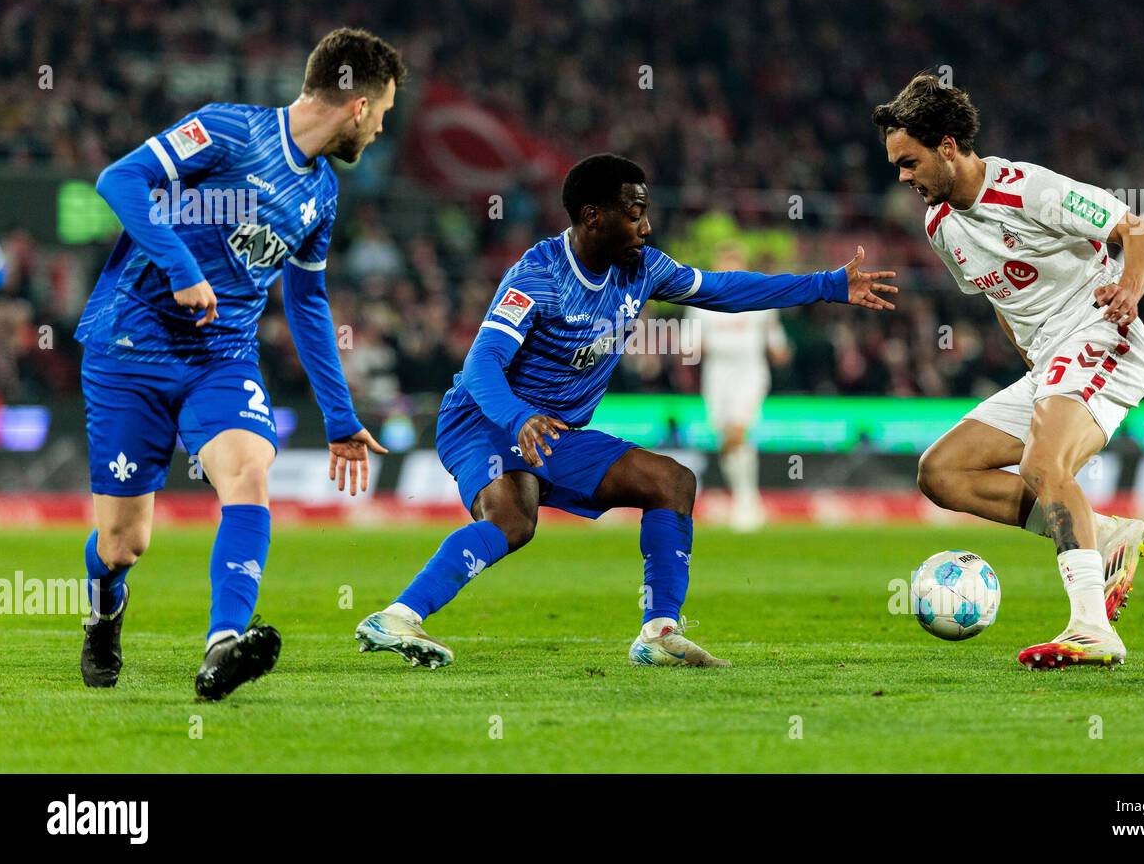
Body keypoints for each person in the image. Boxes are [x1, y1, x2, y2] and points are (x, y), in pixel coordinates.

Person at [355, 153, 898, 668]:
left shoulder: (644, 269)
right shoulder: (537, 276)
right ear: (593, 216)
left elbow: (724, 288)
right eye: (635, 214)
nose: (645, 227)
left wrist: (828, 284)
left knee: (671, 483)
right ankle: (397, 617)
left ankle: (659, 633)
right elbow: (481, 366)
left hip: (556, 431)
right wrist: (518, 417)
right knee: (513, 520)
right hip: (487, 417)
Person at [76, 27, 400, 700]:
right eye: (384, 114)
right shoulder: (228, 130)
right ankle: (104, 612)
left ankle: (224, 642)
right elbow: (120, 178)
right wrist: (181, 266)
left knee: (248, 474)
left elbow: (308, 302)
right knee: (121, 545)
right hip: (130, 346)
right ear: (358, 106)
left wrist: (341, 415)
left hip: (221, 356)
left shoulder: (321, 194)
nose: (378, 134)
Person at [872, 73, 1144, 669]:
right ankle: (1102, 535)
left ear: (947, 146)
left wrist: (1130, 288)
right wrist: (1036, 368)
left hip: (1101, 331)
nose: (902, 177)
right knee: (942, 472)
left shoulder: (1030, 188)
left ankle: (1091, 628)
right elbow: (1001, 303)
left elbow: (1142, 232)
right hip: (1050, 360)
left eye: (909, 161)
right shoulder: (940, 227)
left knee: (1042, 464)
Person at [686, 242, 791, 532]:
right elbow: (689, 347)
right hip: (717, 375)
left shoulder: (760, 301)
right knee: (729, 439)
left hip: (750, 371)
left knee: (737, 431)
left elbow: (777, 347)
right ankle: (745, 501)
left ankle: (746, 502)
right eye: (724, 265)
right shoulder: (700, 304)